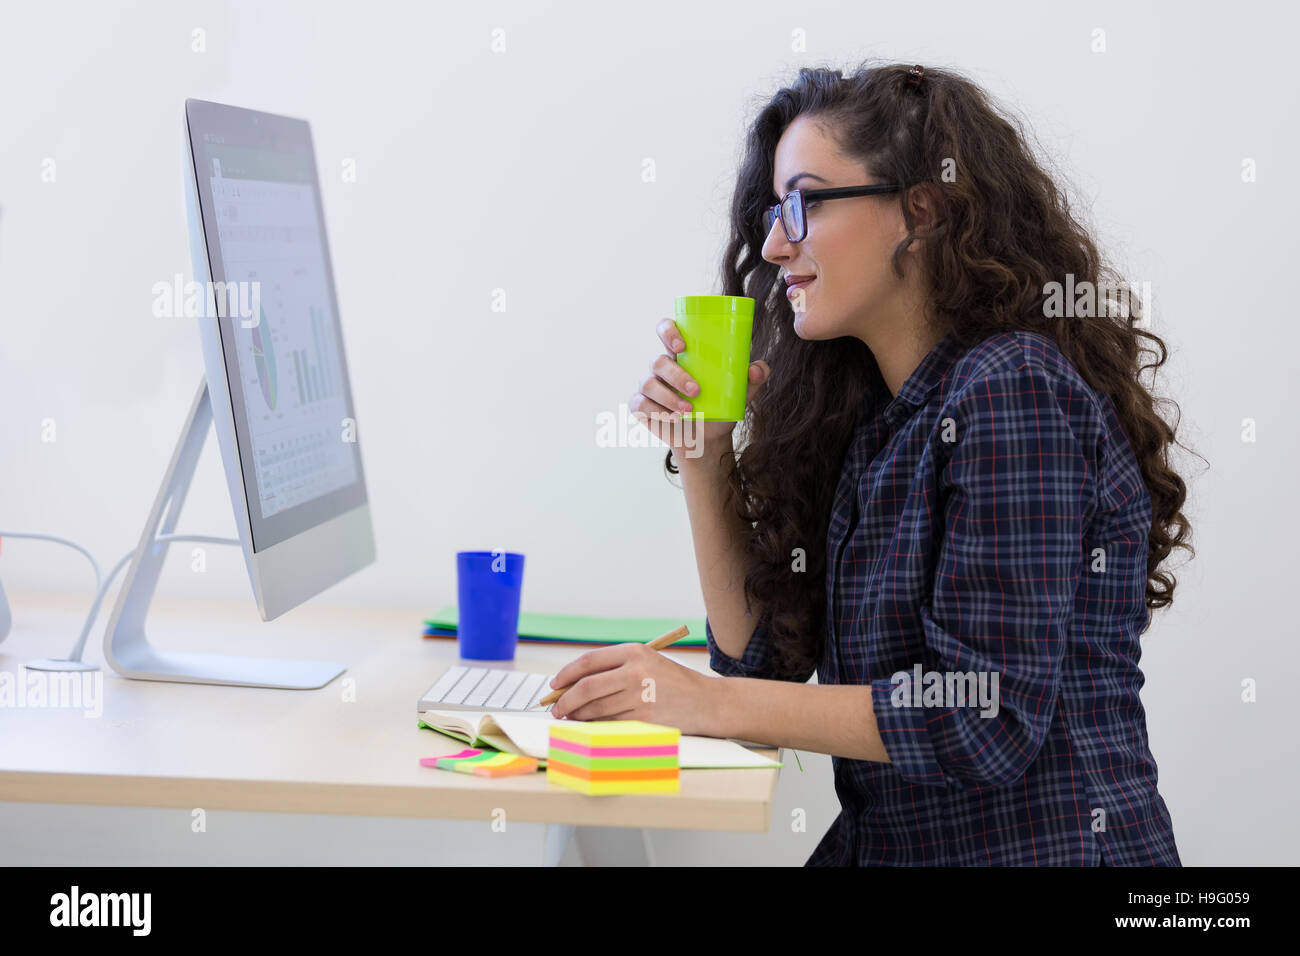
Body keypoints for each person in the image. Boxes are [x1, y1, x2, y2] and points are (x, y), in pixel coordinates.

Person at [549, 61, 1189, 866]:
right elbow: (761, 662)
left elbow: (983, 720)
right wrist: (705, 454)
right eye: (773, 212)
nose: (777, 243)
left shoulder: (1011, 389)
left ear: (918, 210)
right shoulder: (874, 412)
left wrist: (707, 702)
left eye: (803, 204)